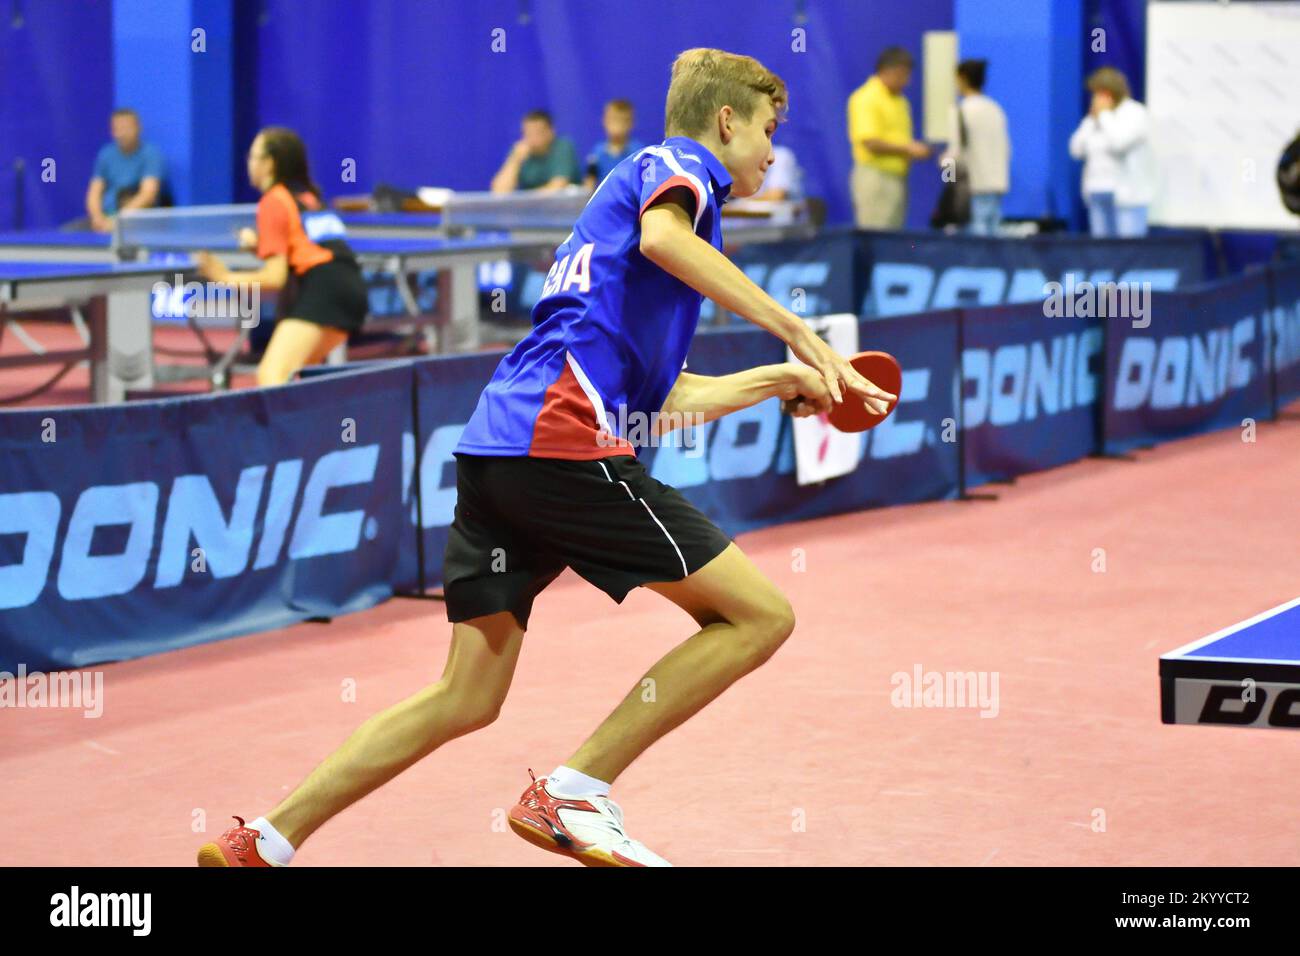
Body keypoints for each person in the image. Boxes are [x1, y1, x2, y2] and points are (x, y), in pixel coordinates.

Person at [196, 47, 893, 869]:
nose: (774, 151)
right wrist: (801, 331)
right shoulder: (677, 168)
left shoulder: (625, 211)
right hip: (559, 444)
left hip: (500, 448)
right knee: (760, 614)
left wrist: (774, 379)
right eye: (768, 131)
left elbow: (652, 404)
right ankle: (577, 790)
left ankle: (265, 838)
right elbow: (667, 238)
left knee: (467, 696)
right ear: (726, 120)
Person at [194, 127, 368, 386]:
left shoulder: (273, 201)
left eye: (254, 156)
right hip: (351, 289)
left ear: (269, 163)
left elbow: (275, 278)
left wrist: (223, 276)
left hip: (323, 291)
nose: (249, 162)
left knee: (271, 375)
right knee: (303, 378)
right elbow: (307, 245)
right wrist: (260, 246)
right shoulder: (309, 198)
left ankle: (290, 428)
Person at [847, 47, 930, 229]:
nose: (906, 82)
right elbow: (870, 142)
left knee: (892, 236)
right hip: (876, 178)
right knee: (875, 235)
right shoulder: (866, 98)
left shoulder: (900, 100)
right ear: (886, 71)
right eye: (902, 75)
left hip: (897, 177)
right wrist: (909, 149)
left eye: (908, 76)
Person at [1068, 67, 1155, 238]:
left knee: (1128, 252)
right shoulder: (1095, 118)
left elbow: (1119, 144)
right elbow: (1075, 150)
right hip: (1096, 191)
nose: (1095, 99)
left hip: (1128, 197)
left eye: (1099, 94)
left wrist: (1104, 116)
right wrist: (1091, 121)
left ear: (1110, 93)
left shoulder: (1135, 113)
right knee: (1102, 253)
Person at [940, 59, 1010, 235]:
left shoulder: (960, 111)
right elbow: (1006, 149)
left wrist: (947, 177)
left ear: (962, 78)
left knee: (976, 245)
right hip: (996, 185)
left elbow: (954, 153)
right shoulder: (995, 109)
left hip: (973, 187)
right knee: (994, 240)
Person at [84, 108, 166, 232]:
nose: (121, 133)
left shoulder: (150, 154)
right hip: (106, 218)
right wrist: (97, 218)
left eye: (126, 128)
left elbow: (148, 194)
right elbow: (94, 192)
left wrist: (118, 220)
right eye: (117, 129)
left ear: (138, 128)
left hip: (137, 222)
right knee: (69, 232)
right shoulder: (106, 154)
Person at [490, 110, 582, 193]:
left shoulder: (563, 147)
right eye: (528, 133)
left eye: (538, 132)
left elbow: (558, 186)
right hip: (530, 209)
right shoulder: (519, 152)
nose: (533, 139)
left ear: (551, 132)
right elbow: (499, 191)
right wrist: (515, 160)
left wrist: (526, 200)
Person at [583, 99, 644, 190]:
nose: (617, 125)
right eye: (612, 119)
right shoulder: (597, 152)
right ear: (605, 121)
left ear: (631, 123)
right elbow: (589, 184)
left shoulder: (639, 152)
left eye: (622, 120)